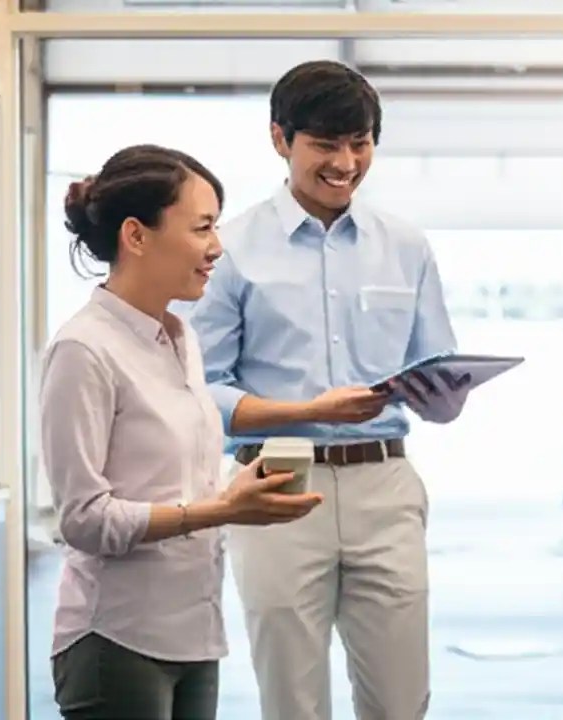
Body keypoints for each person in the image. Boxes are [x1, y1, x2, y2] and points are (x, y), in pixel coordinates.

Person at [186, 60, 467, 720]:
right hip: (274, 480)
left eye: (360, 142)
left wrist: (446, 390)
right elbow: (201, 391)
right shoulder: (230, 249)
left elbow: (441, 378)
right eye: (326, 144)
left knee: (402, 701)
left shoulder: (405, 245)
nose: (346, 162)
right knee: (292, 699)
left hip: (385, 483)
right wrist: (306, 411)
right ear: (281, 139)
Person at [40, 143, 325, 720]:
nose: (217, 247)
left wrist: (239, 486)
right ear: (136, 236)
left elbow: (171, 476)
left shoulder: (180, 337)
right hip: (117, 638)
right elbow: (82, 519)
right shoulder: (83, 349)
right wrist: (219, 511)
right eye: (201, 228)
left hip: (194, 634)